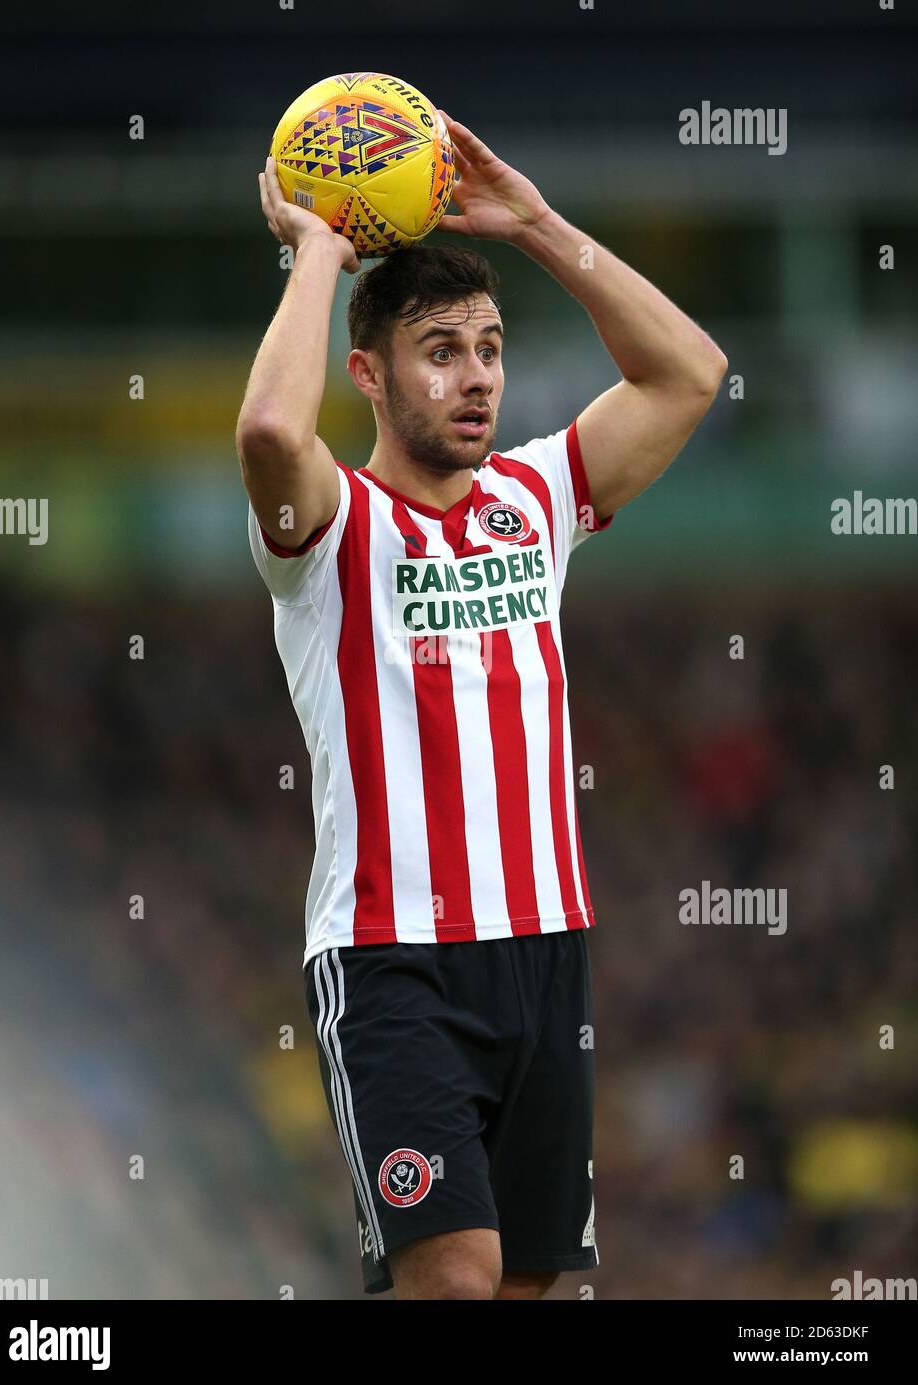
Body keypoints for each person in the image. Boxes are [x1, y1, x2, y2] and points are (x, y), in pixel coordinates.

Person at [236, 111, 726, 1300]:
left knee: (527, 1288)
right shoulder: (330, 532)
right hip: (388, 959)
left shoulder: (536, 493)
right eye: (440, 350)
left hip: (544, 951)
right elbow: (264, 427)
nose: (476, 378)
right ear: (370, 372)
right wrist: (318, 250)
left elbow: (689, 372)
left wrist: (540, 222)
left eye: (491, 348)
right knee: (452, 1276)